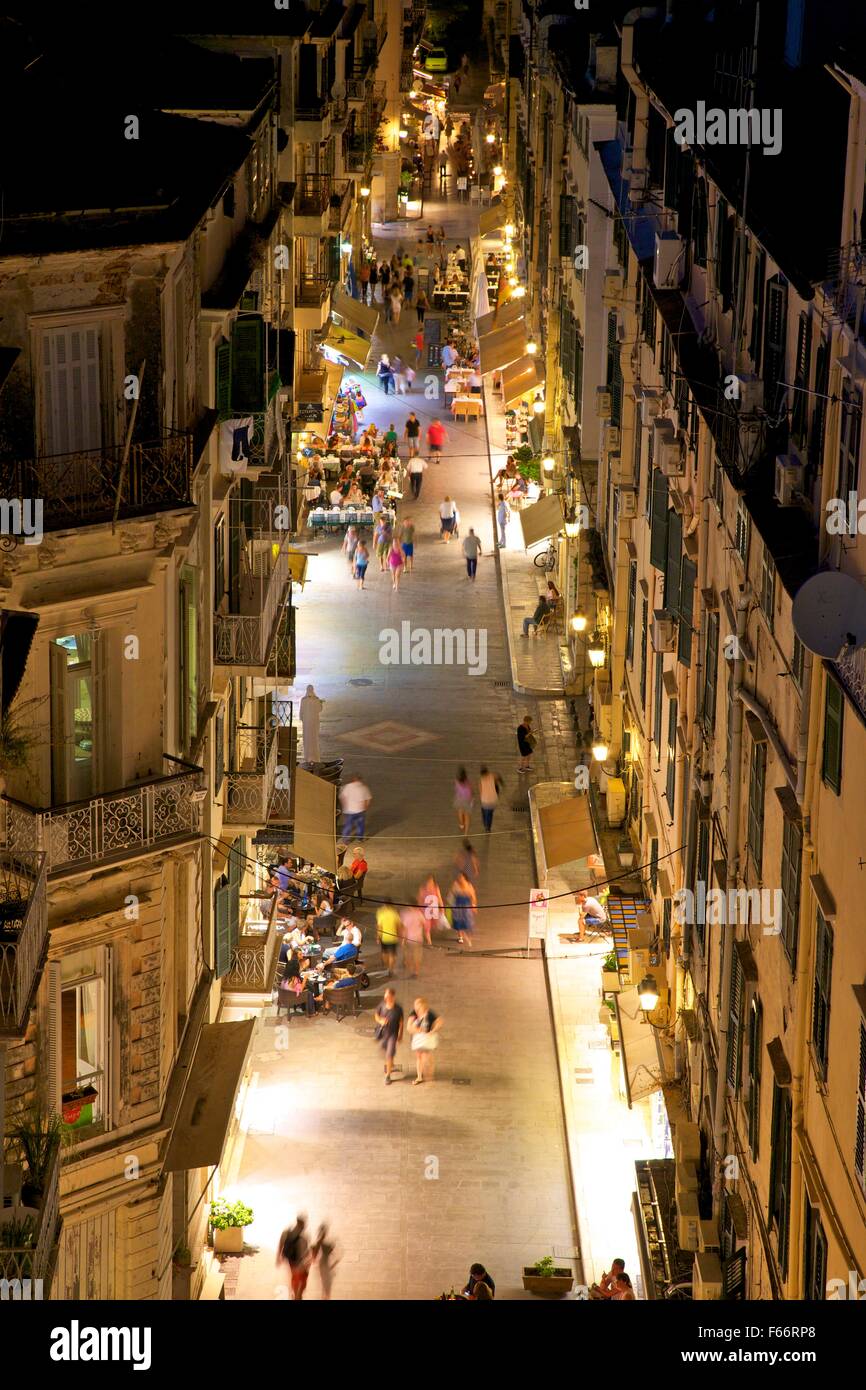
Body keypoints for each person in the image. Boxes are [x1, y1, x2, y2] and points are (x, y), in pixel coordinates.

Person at [408, 996, 443, 1085]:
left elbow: (440, 1021)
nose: (416, 1008)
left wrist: (433, 1031)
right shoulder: (413, 1013)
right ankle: (419, 1077)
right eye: (415, 1006)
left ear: (423, 1006)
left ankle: (429, 1074)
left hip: (427, 1040)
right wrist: (419, 1030)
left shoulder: (429, 1013)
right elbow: (409, 1027)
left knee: (426, 1055)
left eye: (418, 1006)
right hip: (417, 1039)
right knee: (419, 1056)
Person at [277, 1216, 312, 1300]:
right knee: (303, 1278)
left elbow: (281, 1243)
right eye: (304, 1224)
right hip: (301, 1262)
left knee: (295, 1277)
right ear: (302, 1224)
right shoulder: (304, 1236)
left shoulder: (287, 1231)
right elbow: (307, 1251)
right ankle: (298, 1295)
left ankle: (296, 1293)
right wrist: (309, 1260)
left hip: (291, 1261)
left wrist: (278, 1256)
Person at [374, 986, 404, 1085]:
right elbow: (376, 1015)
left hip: (393, 1035)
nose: (386, 998)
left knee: (389, 1054)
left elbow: (401, 1023)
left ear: (393, 997)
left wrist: (400, 1035)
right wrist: (381, 1020)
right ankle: (391, 1065)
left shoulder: (398, 1009)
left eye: (388, 996)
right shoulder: (382, 1005)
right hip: (383, 1034)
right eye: (385, 996)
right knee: (387, 1052)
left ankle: (388, 1076)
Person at [400, 903, 430, 978]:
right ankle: (415, 972)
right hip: (418, 939)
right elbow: (424, 924)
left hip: (408, 939)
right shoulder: (419, 914)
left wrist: (403, 940)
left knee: (408, 955)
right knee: (417, 956)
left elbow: (404, 929)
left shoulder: (406, 915)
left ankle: (410, 968)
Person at [448, 872, 476, 948]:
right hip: (458, 904)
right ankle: (460, 936)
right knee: (458, 920)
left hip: (466, 905)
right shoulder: (455, 884)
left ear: (464, 877)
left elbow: (472, 895)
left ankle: (468, 935)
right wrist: (451, 904)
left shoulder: (469, 885)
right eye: (459, 877)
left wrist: (473, 905)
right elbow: (451, 894)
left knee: (467, 920)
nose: (460, 878)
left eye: (461, 877)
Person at [339, 774, 371, 840]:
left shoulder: (347, 786)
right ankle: (359, 838)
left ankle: (345, 840)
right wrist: (365, 808)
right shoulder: (364, 787)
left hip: (349, 810)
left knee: (348, 825)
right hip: (360, 810)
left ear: (353, 780)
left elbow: (342, 797)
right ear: (360, 780)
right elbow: (368, 799)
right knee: (360, 825)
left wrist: (344, 806)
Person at [299, 684, 324, 765]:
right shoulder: (317, 699)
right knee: (314, 738)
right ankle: (315, 757)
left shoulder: (303, 700)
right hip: (314, 722)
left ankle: (308, 757)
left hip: (306, 723)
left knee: (307, 739)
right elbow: (320, 710)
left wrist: (303, 719)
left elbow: (301, 712)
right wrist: (321, 703)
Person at [312, 1224, 339, 1300]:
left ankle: (325, 1298)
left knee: (326, 1287)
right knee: (326, 1287)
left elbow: (314, 1255)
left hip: (324, 1265)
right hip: (325, 1266)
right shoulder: (324, 1242)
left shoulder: (321, 1242)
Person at [377, 897, 401, 976]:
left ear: (384, 904)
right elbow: (398, 925)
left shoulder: (380, 912)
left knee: (384, 953)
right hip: (393, 937)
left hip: (384, 937)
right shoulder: (395, 913)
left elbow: (379, 926)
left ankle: (387, 966)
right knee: (392, 954)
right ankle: (390, 969)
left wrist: (378, 937)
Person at [478, 766, 503, 832]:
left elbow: (480, 791)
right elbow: (499, 777)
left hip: (485, 801)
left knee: (484, 812)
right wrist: (502, 784)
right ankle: (488, 827)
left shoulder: (481, 780)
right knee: (490, 814)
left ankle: (485, 824)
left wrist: (481, 798)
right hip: (493, 800)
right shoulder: (493, 776)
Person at [453, 767, 474, 835]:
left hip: (459, 800)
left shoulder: (456, 781)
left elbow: (456, 790)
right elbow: (471, 792)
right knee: (467, 817)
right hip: (467, 800)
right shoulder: (468, 782)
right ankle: (466, 834)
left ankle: (461, 824)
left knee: (460, 812)